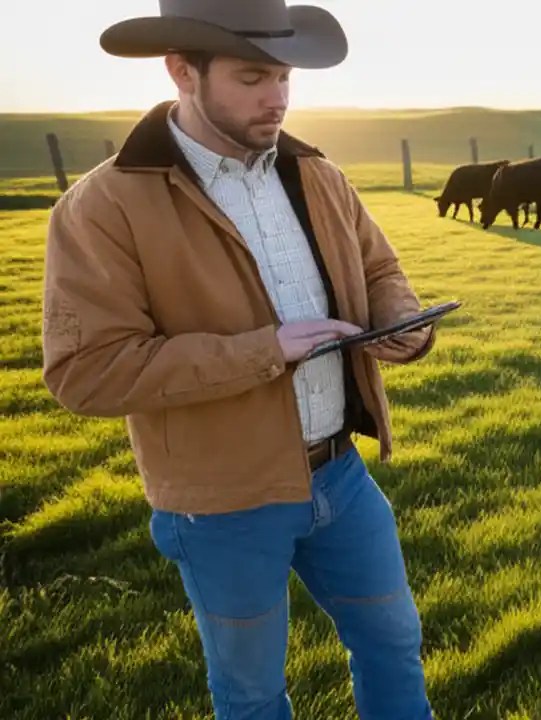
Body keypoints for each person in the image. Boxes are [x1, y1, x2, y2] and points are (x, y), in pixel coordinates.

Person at [40, 2, 436, 718]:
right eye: (254, 77)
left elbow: (381, 270)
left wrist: (398, 322)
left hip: (341, 477)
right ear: (181, 72)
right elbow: (86, 371)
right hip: (220, 503)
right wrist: (262, 352)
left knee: (393, 642)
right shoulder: (101, 207)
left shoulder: (317, 172)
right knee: (252, 694)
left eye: (283, 76)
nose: (277, 97)